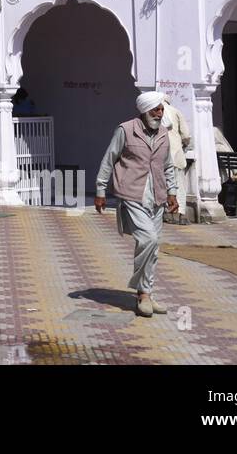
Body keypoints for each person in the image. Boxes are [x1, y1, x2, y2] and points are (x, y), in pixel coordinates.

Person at [95, 91, 179, 317]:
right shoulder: (126, 130)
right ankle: (142, 293)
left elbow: (167, 165)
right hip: (132, 194)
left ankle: (146, 293)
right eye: (156, 110)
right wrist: (100, 190)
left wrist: (172, 191)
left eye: (161, 110)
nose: (160, 114)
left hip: (157, 196)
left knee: (153, 248)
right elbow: (109, 159)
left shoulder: (163, 133)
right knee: (148, 239)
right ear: (144, 111)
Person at [160, 97, 192, 224]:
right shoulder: (175, 111)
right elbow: (186, 134)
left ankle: (166, 213)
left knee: (161, 184)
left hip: (159, 155)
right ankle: (180, 214)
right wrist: (184, 143)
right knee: (179, 184)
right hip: (175, 154)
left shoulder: (150, 112)